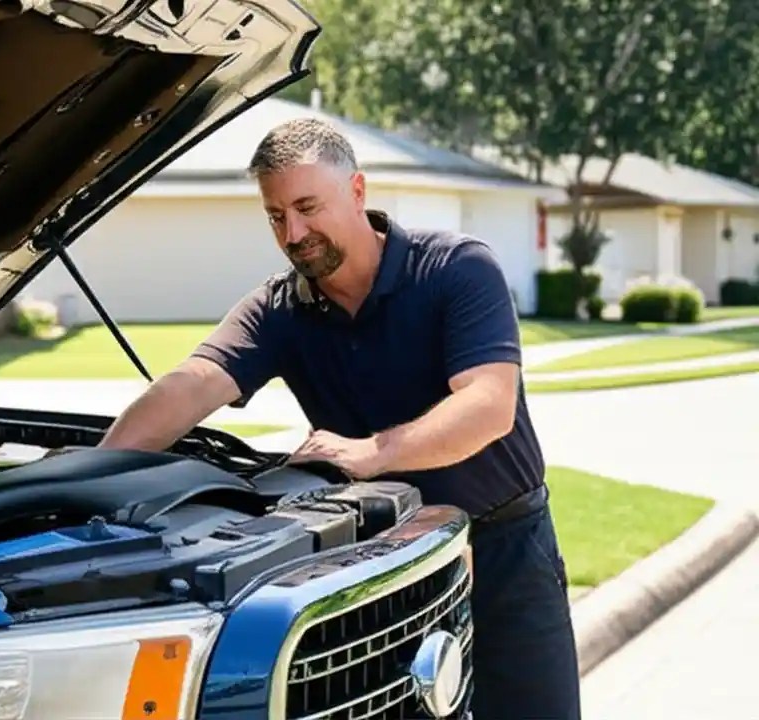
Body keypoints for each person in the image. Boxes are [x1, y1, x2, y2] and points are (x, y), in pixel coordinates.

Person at [96, 117, 581, 719]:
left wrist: (372, 453)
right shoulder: (279, 309)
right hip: (385, 571)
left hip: (506, 552)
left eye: (307, 206)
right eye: (276, 216)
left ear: (357, 192)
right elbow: (191, 386)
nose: (293, 233)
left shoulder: (457, 269)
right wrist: (93, 477)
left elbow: (488, 406)